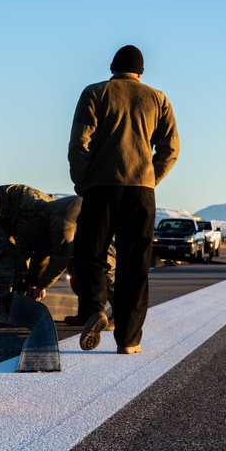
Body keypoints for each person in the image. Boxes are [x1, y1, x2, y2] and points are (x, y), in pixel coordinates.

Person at [68, 45, 179, 354]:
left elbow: (79, 144)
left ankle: (94, 309)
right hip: (141, 193)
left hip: (100, 188)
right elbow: (170, 150)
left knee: (90, 253)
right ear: (140, 73)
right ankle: (129, 339)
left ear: (112, 68)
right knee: (135, 265)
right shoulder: (158, 99)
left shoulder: (95, 93)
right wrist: (148, 178)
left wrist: (83, 182)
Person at [0, 185, 82, 326]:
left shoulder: (51, 217)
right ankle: (4, 309)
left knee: (21, 265)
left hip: (10, 215)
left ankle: (17, 306)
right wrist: (31, 287)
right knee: (6, 261)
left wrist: (36, 284)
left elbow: (44, 252)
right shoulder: (31, 218)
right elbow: (23, 254)